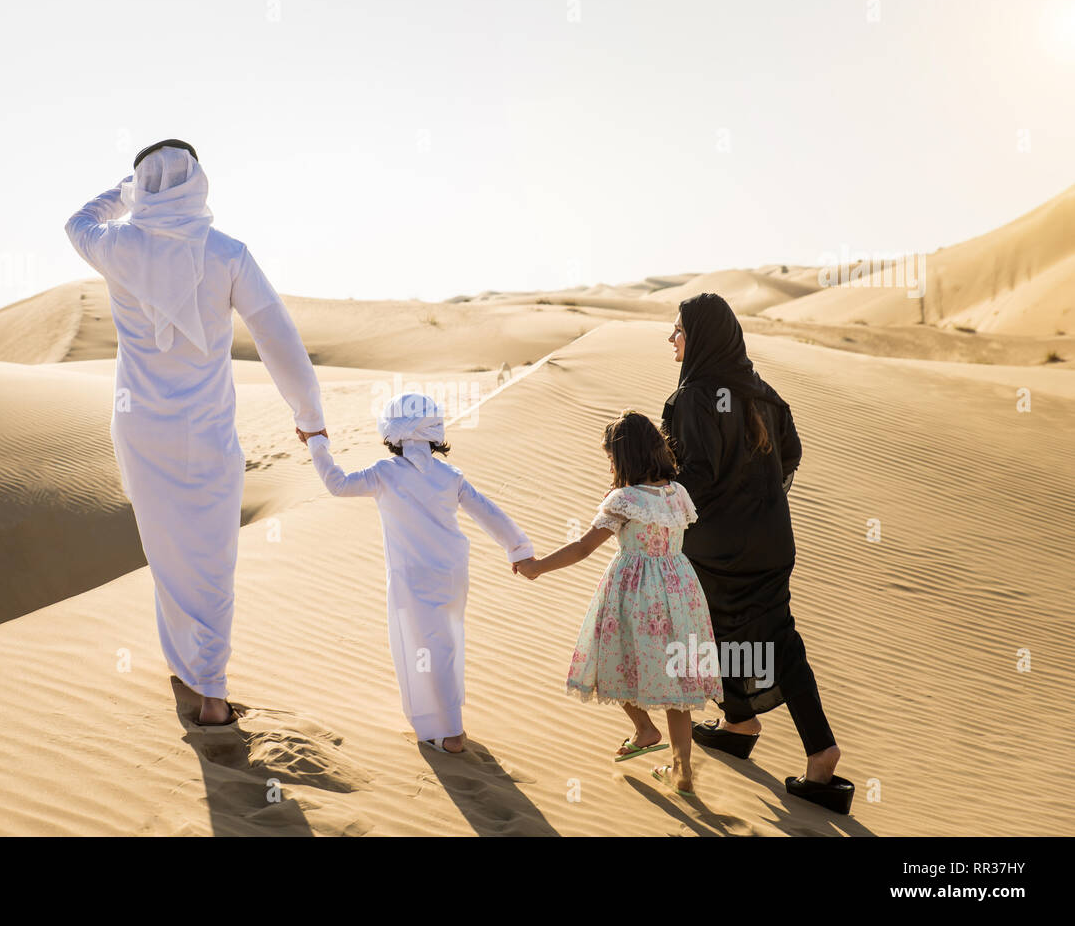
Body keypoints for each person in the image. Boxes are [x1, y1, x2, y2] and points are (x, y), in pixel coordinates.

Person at [65, 139, 326, 727]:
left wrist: (124, 194)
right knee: (211, 556)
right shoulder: (228, 253)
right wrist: (309, 415)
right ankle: (208, 686)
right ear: (199, 181)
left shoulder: (116, 245)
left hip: (140, 430)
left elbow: (76, 220)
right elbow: (276, 335)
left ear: (143, 185)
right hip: (205, 430)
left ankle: (193, 672)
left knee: (167, 550)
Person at [661, 292, 852, 814]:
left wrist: (655, 503)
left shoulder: (693, 398)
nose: (671, 340)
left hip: (716, 550)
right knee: (773, 636)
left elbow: (694, 475)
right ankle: (752, 726)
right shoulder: (763, 393)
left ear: (700, 336)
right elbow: (790, 454)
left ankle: (770, 731)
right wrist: (756, 491)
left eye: (677, 330)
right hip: (771, 542)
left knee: (708, 628)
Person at [303, 393, 533, 754]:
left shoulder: (384, 473)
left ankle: (449, 732)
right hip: (453, 572)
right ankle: (444, 725)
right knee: (446, 644)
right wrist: (519, 550)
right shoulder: (449, 475)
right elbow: (488, 512)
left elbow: (338, 484)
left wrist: (318, 443)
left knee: (424, 648)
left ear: (392, 432)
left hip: (413, 577)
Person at [515, 411, 722, 797]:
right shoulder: (678, 493)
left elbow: (582, 547)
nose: (610, 465)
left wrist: (538, 567)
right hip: (680, 591)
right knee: (677, 682)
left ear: (624, 458)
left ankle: (644, 728)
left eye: (611, 457)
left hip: (635, 593)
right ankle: (682, 771)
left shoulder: (624, 499)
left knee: (612, 658)